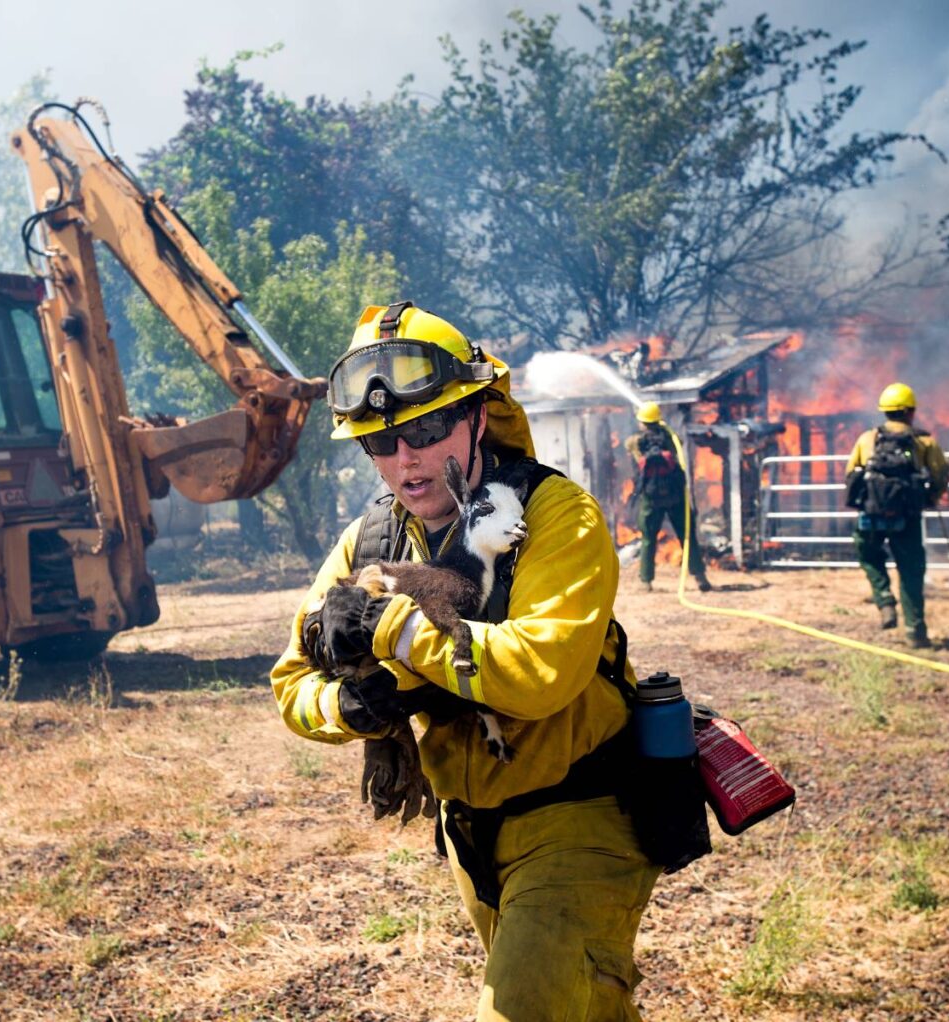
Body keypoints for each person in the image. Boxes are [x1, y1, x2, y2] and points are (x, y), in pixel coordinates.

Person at [271, 301, 673, 1021]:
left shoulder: (555, 517)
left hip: (579, 816)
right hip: (471, 833)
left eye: (426, 431)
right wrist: (351, 708)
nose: (407, 460)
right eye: (381, 442)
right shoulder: (372, 537)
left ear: (478, 416)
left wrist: (398, 627)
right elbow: (290, 684)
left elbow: (540, 672)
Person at [844, 382, 949, 648]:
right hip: (907, 518)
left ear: (885, 412)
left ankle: (884, 599)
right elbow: (940, 474)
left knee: (868, 555)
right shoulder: (923, 442)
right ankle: (915, 632)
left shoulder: (867, 439)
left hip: (871, 516)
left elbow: (850, 474)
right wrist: (930, 498)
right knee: (911, 572)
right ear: (910, 412)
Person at [625, 403, 712, 593]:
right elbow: (679, 444)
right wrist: (665, 429)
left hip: (651, 497)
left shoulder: (635, 441)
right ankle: (700, 577)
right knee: (687, 536)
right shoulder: (671, 438)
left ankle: (645, 581)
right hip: (675, 495)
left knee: (648, 538)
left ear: (643, 422)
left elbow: (630, 449)